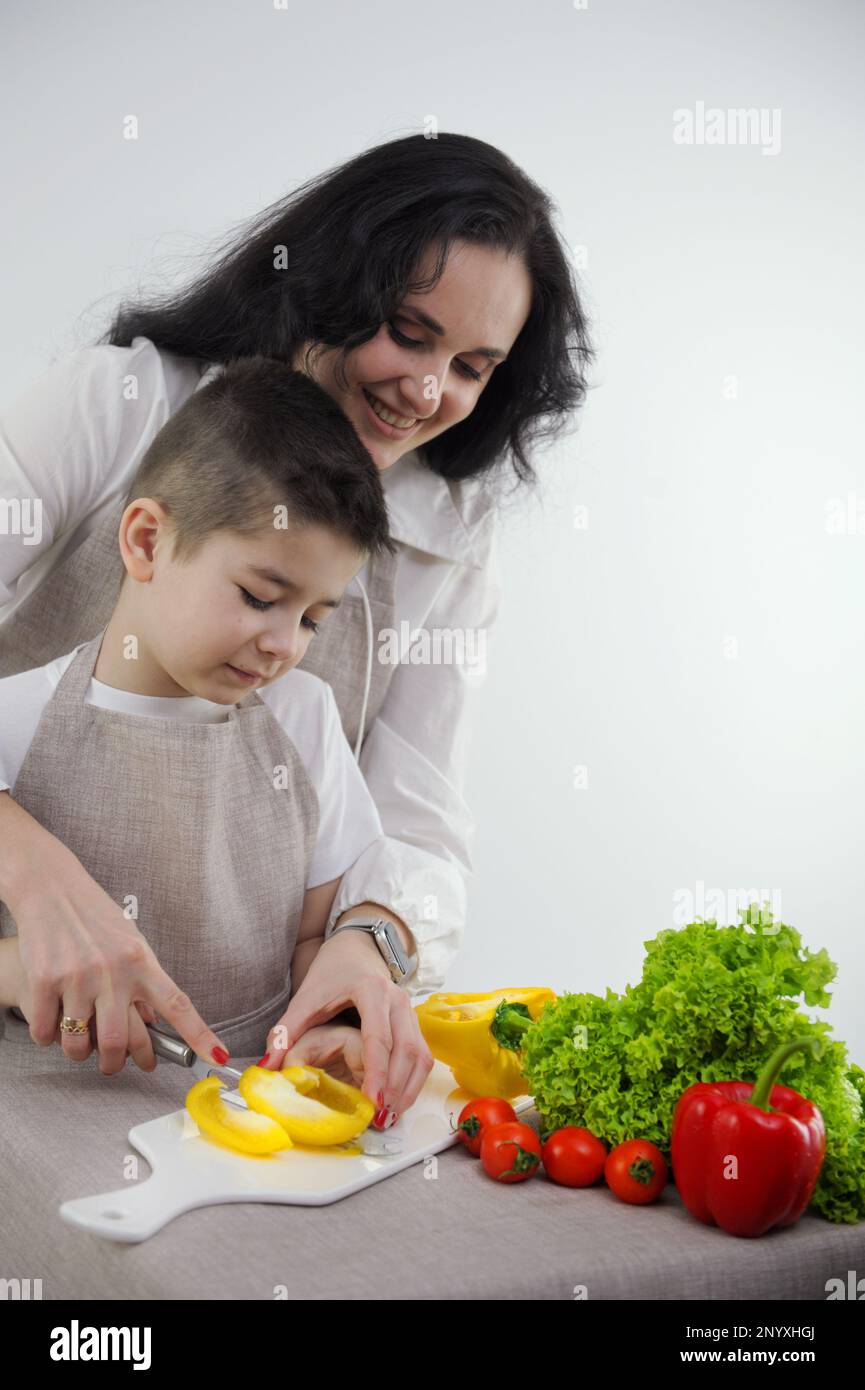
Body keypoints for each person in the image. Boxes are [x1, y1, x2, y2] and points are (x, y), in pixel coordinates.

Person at [0, 130, 594, 1111]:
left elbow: (413, 827)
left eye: (472, 365)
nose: (427, 391)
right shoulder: (119, 404)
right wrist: (32, 870)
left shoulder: (447, 533)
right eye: (407, 331)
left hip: (222, 1065)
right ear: (327, 284)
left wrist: (368, 944)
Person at [0, 357, 432, 1125]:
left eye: (312, 619)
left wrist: (328, 1025)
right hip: (51, 1106)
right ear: (145, 541)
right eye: (260, 598)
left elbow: (317, 937)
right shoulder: (14, 721)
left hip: (249, 1105)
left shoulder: (304, 720)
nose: (284, 646)